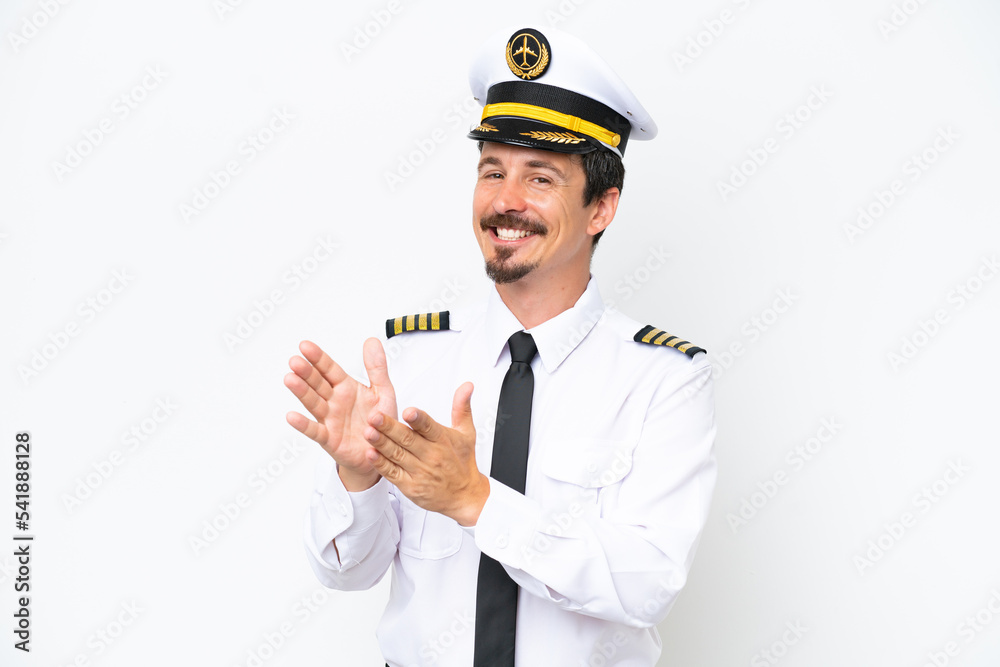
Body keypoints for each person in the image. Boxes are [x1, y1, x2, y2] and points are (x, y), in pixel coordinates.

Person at [285, 25, 716, 667]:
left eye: (540, 178)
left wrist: (474, 500)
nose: (505, 202)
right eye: (492, 171)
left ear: (602, 206)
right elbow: (346, 574)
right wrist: (358, 474)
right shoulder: (410, 359)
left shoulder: (665, 379)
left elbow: (648, 582)